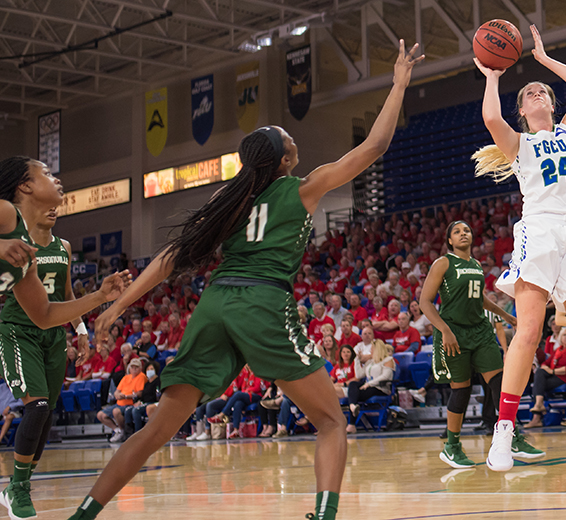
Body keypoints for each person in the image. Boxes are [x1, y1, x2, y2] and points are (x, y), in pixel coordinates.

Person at [68, 41, 424, 520]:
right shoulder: (303, 188)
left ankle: (83, 514)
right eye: (286, 136)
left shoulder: (230, 201)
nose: (291, 137)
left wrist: (116, 307)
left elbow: (170, 258)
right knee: (331, 422)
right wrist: (399, 83)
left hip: (215, 304)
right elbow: (375, 146)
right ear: (282, 158)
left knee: (155, 431)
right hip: (262, 302)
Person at [472, 25, 566, 471]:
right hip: (540, 230)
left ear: (551, 103)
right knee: (528, 332)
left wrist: (544, 58)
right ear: (523, 109)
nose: (536, 94)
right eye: (528, 93)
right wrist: (492, 75)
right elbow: (492, 120)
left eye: (542, 91)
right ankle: (503, 432)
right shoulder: (520, 143)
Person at [0, 157, 131, 520]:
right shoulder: (6, 216)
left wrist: (95, 305)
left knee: (42, 412)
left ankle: (18, 486)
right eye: (46, 174)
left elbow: (46, 311)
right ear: (25, 187)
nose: (57, 180)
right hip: (15, 330)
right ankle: (19, 486)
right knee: (37, 409)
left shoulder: (35, 253)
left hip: (47, 331)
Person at [418, 220, 537, 468]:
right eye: (457, 232)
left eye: (467, 230)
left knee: (499, 380)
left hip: (480, 331)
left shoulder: (475, 265)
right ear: (449, 240)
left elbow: (478, 297)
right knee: (461, 390)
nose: (463, 234)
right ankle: (452, 446)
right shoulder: (443, 263)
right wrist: (445, 330)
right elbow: (425, 302)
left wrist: (505, 316)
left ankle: (510, 436)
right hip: (453, 333)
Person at [344, 340, 396, 434]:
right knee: (353, 385)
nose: (370, 351)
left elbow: (386, 376)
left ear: (377, 349)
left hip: (380, 388)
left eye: (372, 349)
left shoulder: (388, 360)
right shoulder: (371, 362)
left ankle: (351, 423)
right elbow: (359, 375)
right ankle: (353, 406)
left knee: (355, 395)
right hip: (369, 387)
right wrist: (357, 360)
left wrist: (369, 383)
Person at [96, 359, 148, 443]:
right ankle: (117, 430)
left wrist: (126, 396)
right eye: (132, 367)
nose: (134, 369)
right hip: (119, 403)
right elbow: (117, 390)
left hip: (130, 403)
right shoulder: (126, 377)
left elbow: (139, 393)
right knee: (100, 415)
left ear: (140, 368)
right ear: (129, 368)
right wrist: (117, 395)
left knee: (116, 412)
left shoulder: (141, 376)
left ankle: (123, 430)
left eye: (136, 367)